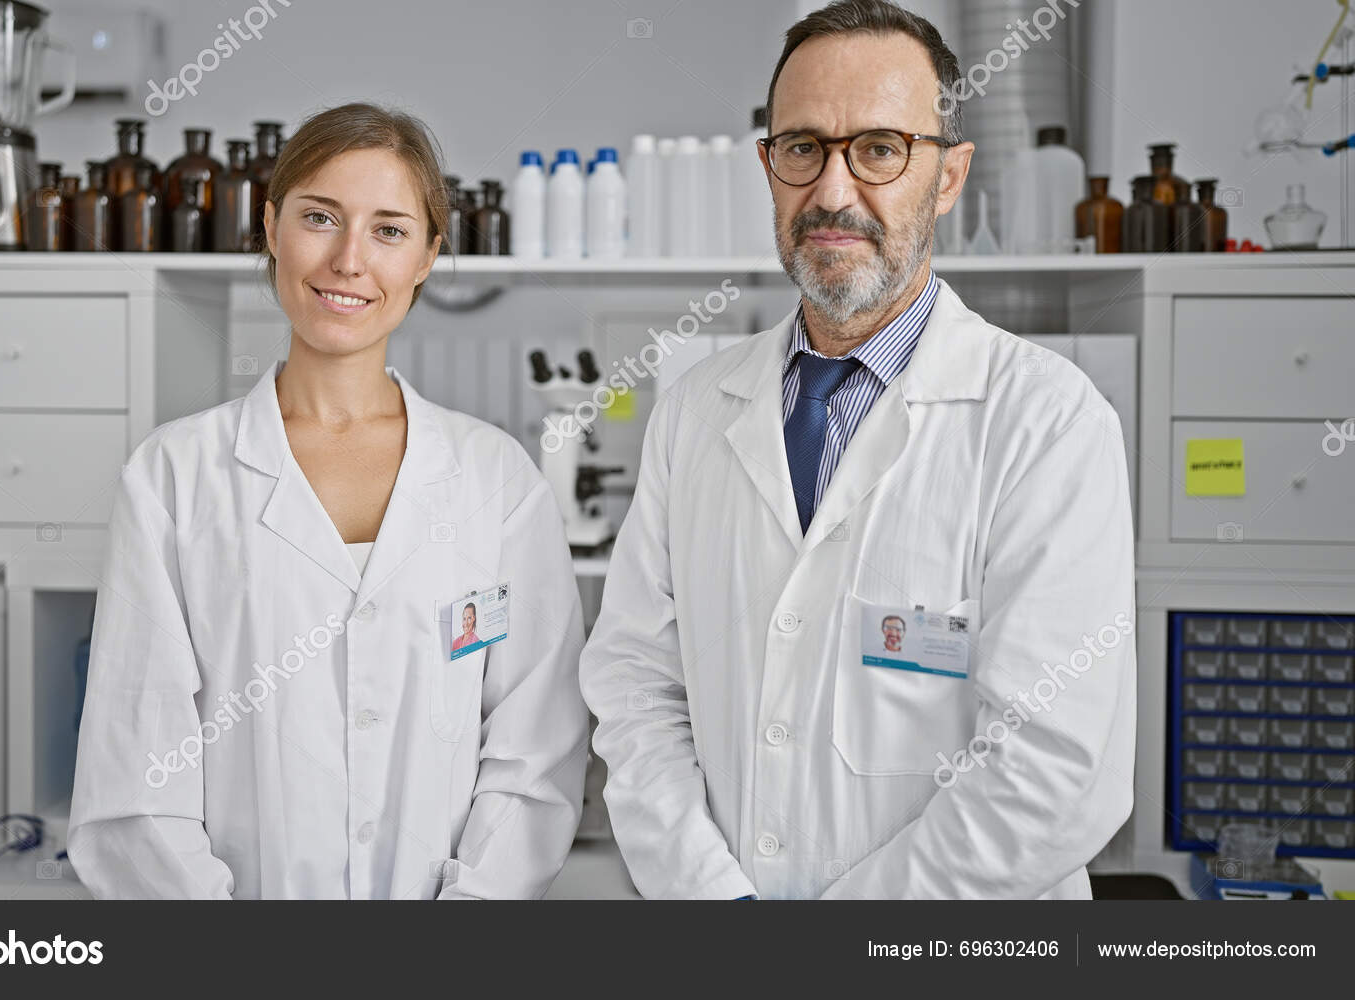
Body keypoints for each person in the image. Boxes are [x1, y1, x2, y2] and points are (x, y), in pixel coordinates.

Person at [580, 0, 1135, 899]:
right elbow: (638, 687)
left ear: (948, 176)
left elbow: (1054, 768)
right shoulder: (693, 412)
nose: (833, 192)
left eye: (879, 149)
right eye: (803, 148)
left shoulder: (1047, 422)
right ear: (769, 167)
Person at [68, 103, 589, 899]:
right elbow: (137, 767)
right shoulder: (174, 477)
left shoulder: (496, 482)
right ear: (271, 227)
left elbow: (537, 750)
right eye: (320, 218)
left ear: (426, 256)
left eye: (388, 230)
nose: (349, 260)